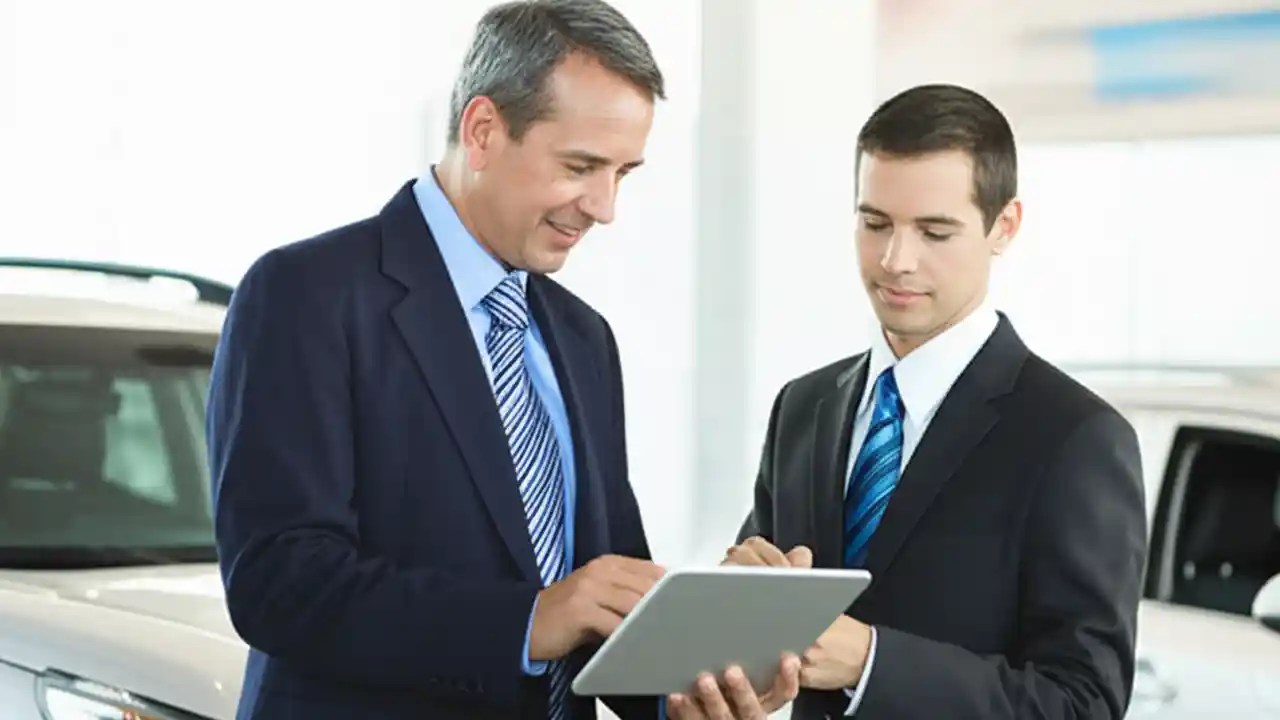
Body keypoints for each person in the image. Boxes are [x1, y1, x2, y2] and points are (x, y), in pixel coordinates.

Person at [206, 1, 797, 718]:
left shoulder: (583, 337)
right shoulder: (307, 295)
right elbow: (279, 583)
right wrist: (526, 619)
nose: (604, 206)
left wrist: (694, 686)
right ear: (483, 130)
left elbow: (600, 604)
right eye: (581, 166)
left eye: (624, 172)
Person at [723, 83, 1148, 719]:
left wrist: (870, 662)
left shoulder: (1075, 438)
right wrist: (734, 608)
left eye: (934, 232)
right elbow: (761, 644)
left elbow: (1082, 703)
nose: (896, 260)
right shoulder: (804, 407)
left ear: (1003, 227)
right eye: (875, 224)